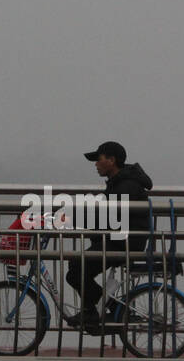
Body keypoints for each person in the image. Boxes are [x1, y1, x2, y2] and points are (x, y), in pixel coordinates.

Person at [65, 141, 152, 333]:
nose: (96, 164)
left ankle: (96, 312)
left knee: (76, 269)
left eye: (99, 159)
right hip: (117, 240)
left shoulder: (127, 185)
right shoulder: (119, 183)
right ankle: (111, 310)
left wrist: (70, 218)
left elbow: (110, 217)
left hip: (125, 243)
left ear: (112, 160)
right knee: (76, 267)